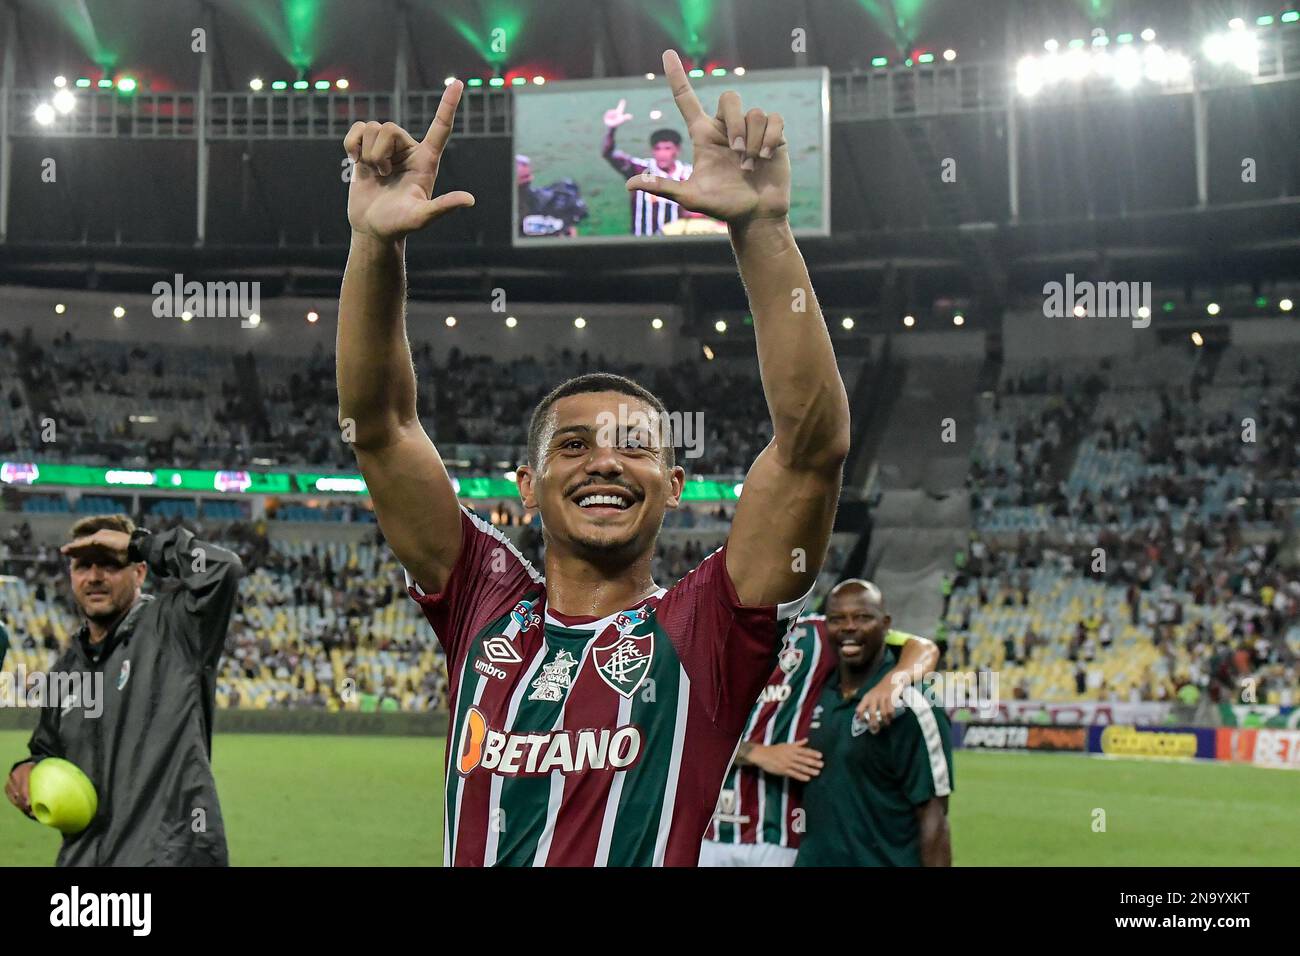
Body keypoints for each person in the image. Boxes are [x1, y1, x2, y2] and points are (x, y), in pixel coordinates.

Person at [338, 50, 850, 866]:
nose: (604, 463)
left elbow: (811, 452)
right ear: (528, 489)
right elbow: (380, 428)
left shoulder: (707, 629)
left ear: (674, 486)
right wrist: (373, 246)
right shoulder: (483, 603)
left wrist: (762, 230)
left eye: (635, 447)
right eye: (572, 446)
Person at [4, 515, 243, 865]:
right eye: (83, 565)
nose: (95, 577)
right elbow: (48, 750)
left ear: (140, 572)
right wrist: (28, 769)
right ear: (71, 575)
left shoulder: (177, 628)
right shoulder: (67, 670)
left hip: (170, 858)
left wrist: (139, 544)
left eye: (110, 564)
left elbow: (225, 569)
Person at [701, 611, 938, 866]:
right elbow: (677, 732)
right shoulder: (704, 635)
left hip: (779, 837)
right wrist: (754, 754)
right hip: (704, 832)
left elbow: (922, 647)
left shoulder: (818, 634)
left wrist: (893, 681)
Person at [796, 580, 954, 867]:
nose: (849, 627)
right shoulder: (813, 693)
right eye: (837, 619)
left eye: (863, 617)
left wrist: (895, 680)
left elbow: (934, 818)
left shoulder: (913, 705)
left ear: (886, 625)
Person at [601, 98, 692, 235]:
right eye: (658, 148)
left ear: (677, 150)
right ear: (652, 150)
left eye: (667, 148)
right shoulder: (640, 169)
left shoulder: (688, 173)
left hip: (676, 245)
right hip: (641, 245)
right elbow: (609, 153)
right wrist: (611, 129)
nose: (662, 153)